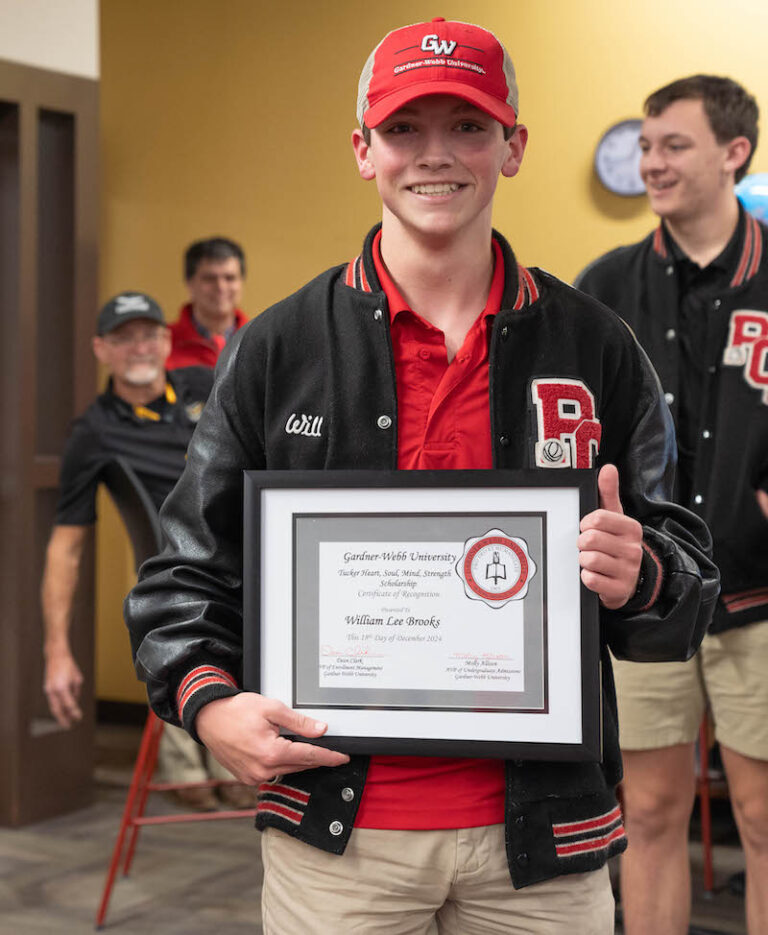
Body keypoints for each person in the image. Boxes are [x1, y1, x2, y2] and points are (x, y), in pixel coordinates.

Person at [126, 20, 718, 933]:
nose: (434, 154)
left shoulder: (596, 344)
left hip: (544, 845)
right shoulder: (280, 347)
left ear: (512, 146)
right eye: (404, 128)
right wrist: (209, 708)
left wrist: (643, 572)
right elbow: (184, 574)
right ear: (363, 149)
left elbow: (685, 585)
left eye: (468, 126)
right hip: (339, 839)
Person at [576, 75, 768, 935]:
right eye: (646, 146)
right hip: (646, 595)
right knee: (649, 812)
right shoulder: (606, 284)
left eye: (673, 146)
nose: (651, 163)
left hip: (760, 592)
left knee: (762, 816)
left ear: (735, 153)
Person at [41, 291, 253, 810]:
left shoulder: (203, 384)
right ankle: (197, 763)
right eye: (123, 338)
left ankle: (230, 757)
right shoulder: (94, 432)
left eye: (148, 335)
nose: (138, 347)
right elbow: (67, 546)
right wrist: (57, 651)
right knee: (172, 609)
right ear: (100, 349)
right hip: (176, 574)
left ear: (165, 341)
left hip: (246, 552)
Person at [166, 237, 247, 369]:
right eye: (209, 279)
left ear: (241, 283)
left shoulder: (261, 341)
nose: (221, 287)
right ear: (190, 284)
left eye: (230, 278)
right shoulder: (161, 345)